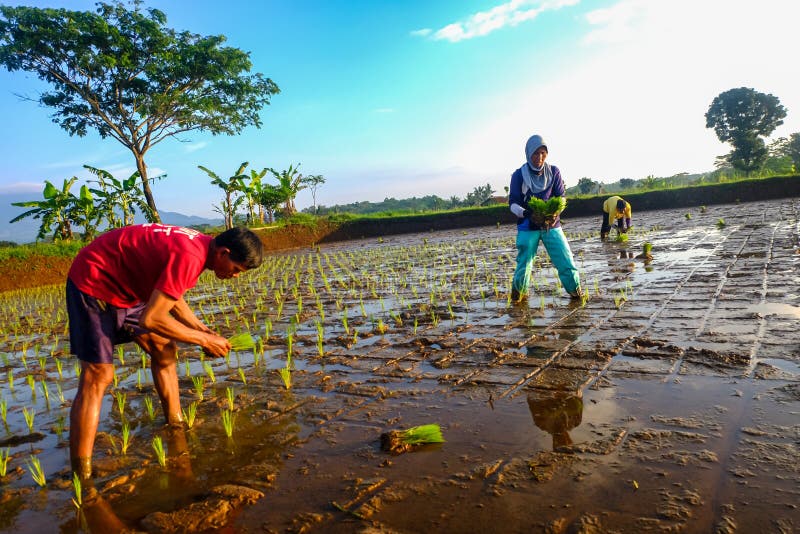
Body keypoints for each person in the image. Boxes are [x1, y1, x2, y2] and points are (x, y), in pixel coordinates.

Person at [66, 223, 263, 480]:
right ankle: (81, 473)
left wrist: (204, 330)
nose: (234, 276)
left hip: (131, 289)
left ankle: (175, 424)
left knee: (164, 349)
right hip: (95, 282)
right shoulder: (191, 256)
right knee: (98, 376)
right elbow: (152, 319)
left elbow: (172, 297)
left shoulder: (201, 247)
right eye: (236, 269)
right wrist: (203, 341)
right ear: (223, 253)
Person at [508, 134, 582, 302]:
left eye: (543, 153)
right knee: (524, 264)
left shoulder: (554, 172)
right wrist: (527, 214)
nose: (539, 158)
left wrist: (555, 212)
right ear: (528, 154)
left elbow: (561, 196)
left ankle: (576, 293)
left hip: (551, 224)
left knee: (565, 259)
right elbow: (512, 204)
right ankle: (518, 297)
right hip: (528, 225)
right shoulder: (519, 175)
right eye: (535, 153)